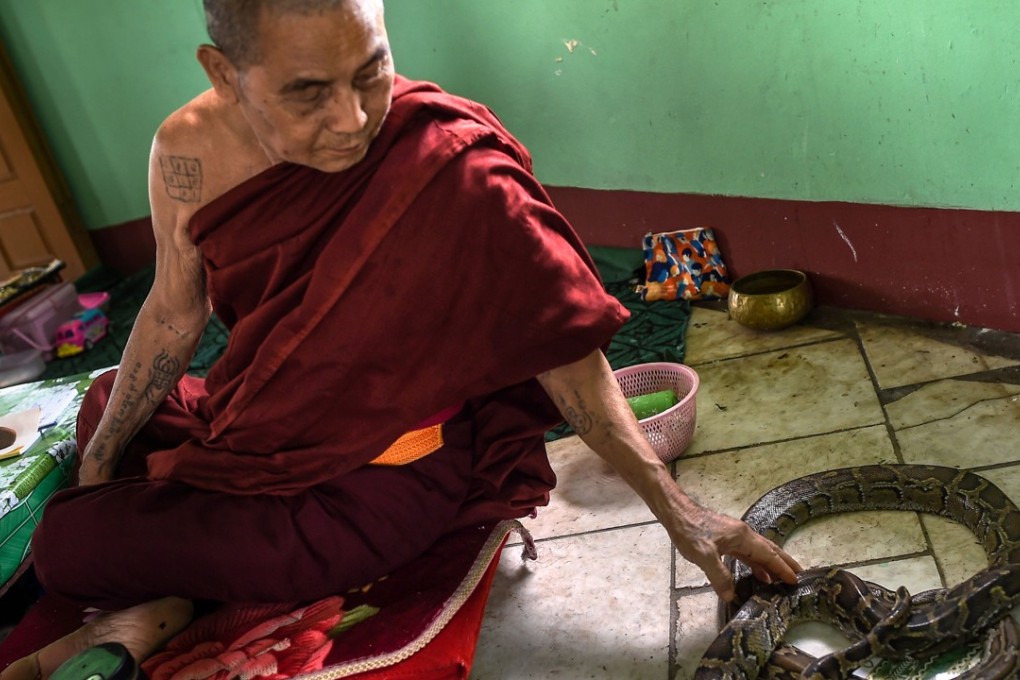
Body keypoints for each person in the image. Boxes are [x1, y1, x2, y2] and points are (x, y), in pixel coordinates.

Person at [0, 1, 801, 678]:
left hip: (372, 488)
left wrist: (682, 515)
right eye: (308, 92)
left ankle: (173, 595)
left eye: (370, 72)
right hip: (265, 429)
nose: (351, 121)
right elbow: (174, 313)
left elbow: (569, 360)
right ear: (222, 74)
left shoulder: (448, 163)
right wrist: (102, 458)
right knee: (109, 403)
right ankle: (179, 584)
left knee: (67, 548)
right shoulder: (187, 151)